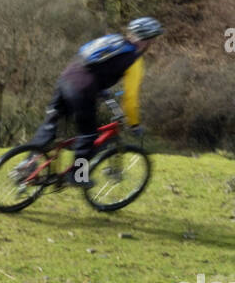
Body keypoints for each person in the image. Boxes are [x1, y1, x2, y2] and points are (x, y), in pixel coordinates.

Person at [24, 17, 162, 187]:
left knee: (50, 125)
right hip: (82, 90)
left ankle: (27, 166)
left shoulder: (111, 39)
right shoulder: (135, 60)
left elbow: (87, 56)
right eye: (153, 39)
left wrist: (101, 86)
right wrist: (134, 124)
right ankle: (78, 175)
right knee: (88, 135)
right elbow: (131, 99)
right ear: (148, 40)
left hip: (66, 78)